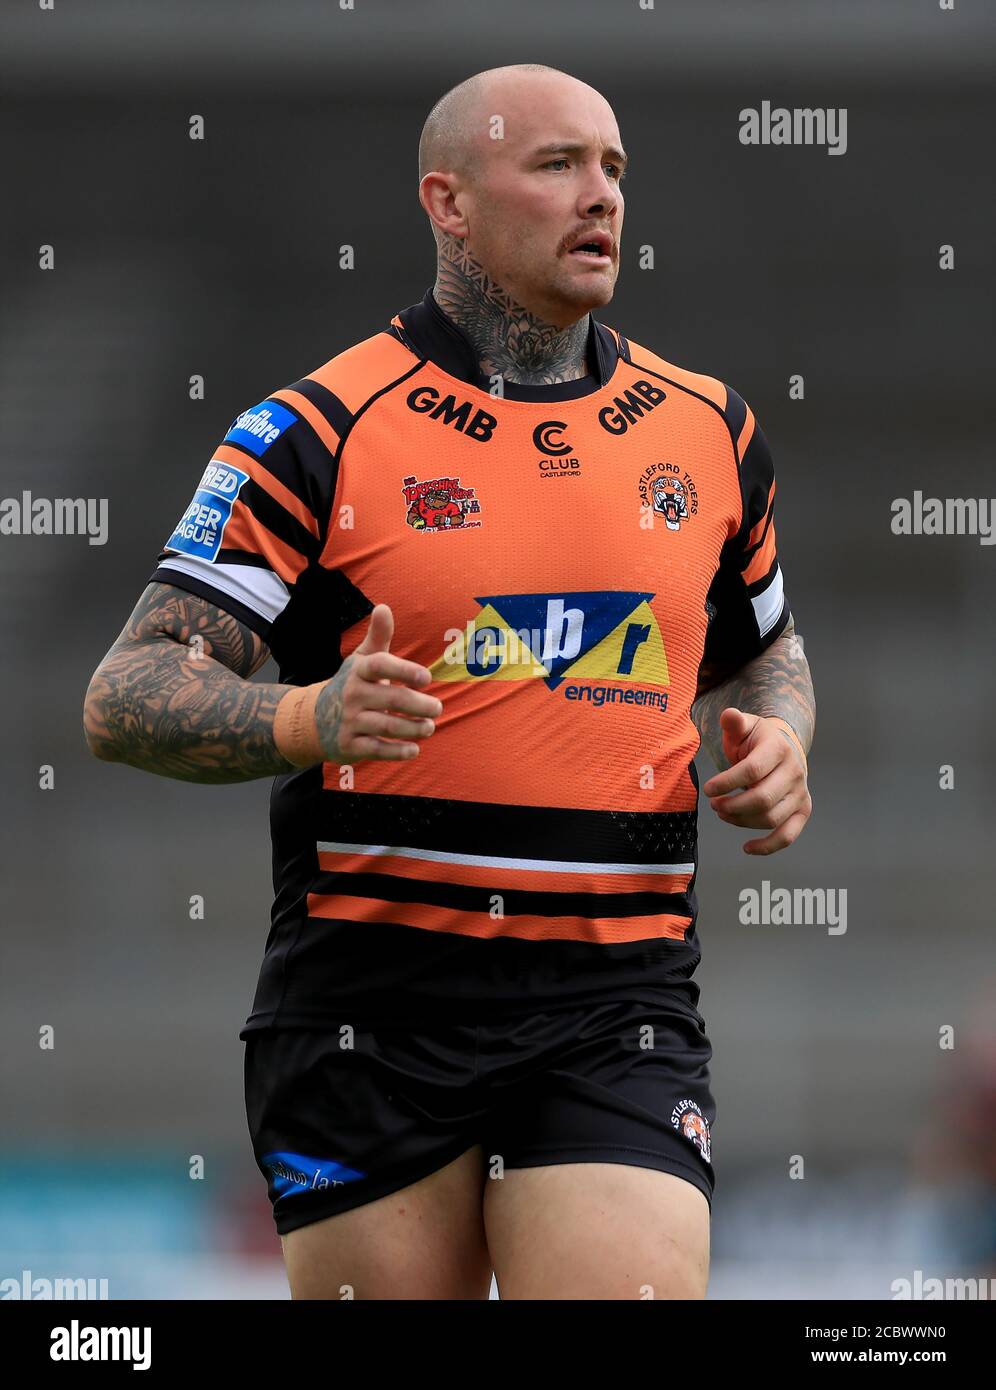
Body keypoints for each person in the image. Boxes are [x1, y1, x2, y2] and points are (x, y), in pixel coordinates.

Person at [83, 62, 815, 1300]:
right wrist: (305, 716)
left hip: (614, 997)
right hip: (371, 1008)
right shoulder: (316, 429)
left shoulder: (710, 430)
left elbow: (765, 646)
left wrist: (783, 737)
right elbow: (126, 692)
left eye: (616, 170)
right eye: (558, 165)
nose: (603, 198)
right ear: (449, 202)